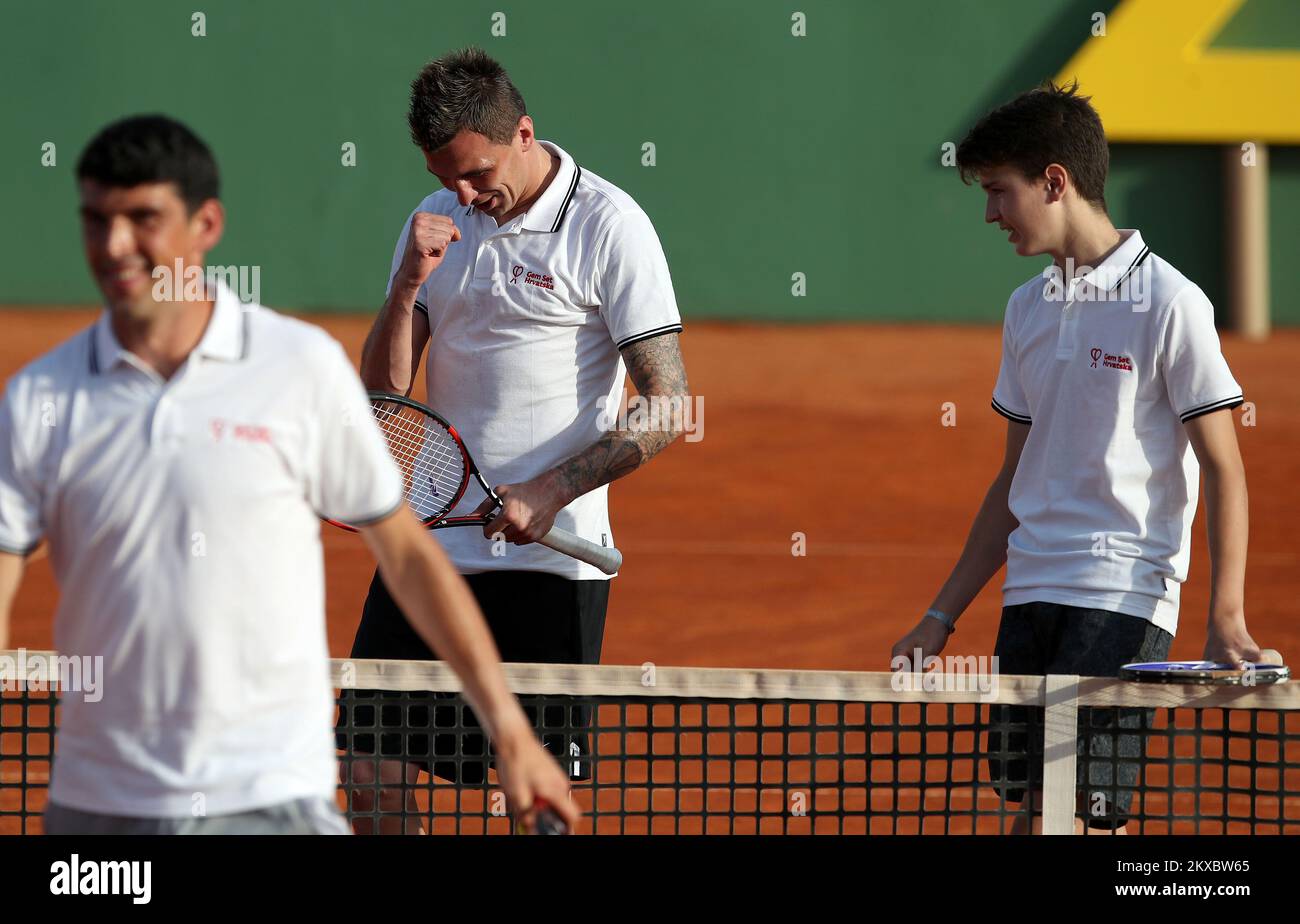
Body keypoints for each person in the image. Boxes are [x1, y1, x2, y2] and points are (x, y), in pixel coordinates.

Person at [0, 114, 576, 835]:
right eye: (95, 220)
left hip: (270, 798)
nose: (115, 247)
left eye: (142, 219)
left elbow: (406, 558)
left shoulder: (296, 370)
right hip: (100, 812)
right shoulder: (41, 400)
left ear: (205, 224)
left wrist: (513, 735)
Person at [889, 82, 1279, 834]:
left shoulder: (1172, 303)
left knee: (1085, 821)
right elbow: (1014, 478)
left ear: (1055, 182)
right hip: (1030, 589)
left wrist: (1224, 614)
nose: (990, 214)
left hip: (1122, 595)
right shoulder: (1026, 308)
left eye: (1001, 192)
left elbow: (1224, 467)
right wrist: (941, 616)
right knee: (1034, 810)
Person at [342, 46, 689, 831]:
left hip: (551, 564)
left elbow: (668, 404)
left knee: (531, 800)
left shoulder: (610, 225)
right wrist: (407, 285)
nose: (465, 194)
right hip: (430, 544)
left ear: (524, 133)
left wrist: (551, 491)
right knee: (367, 771)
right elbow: (384, 391)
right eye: (445, 178)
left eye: (477, 173)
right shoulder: (435, 221)